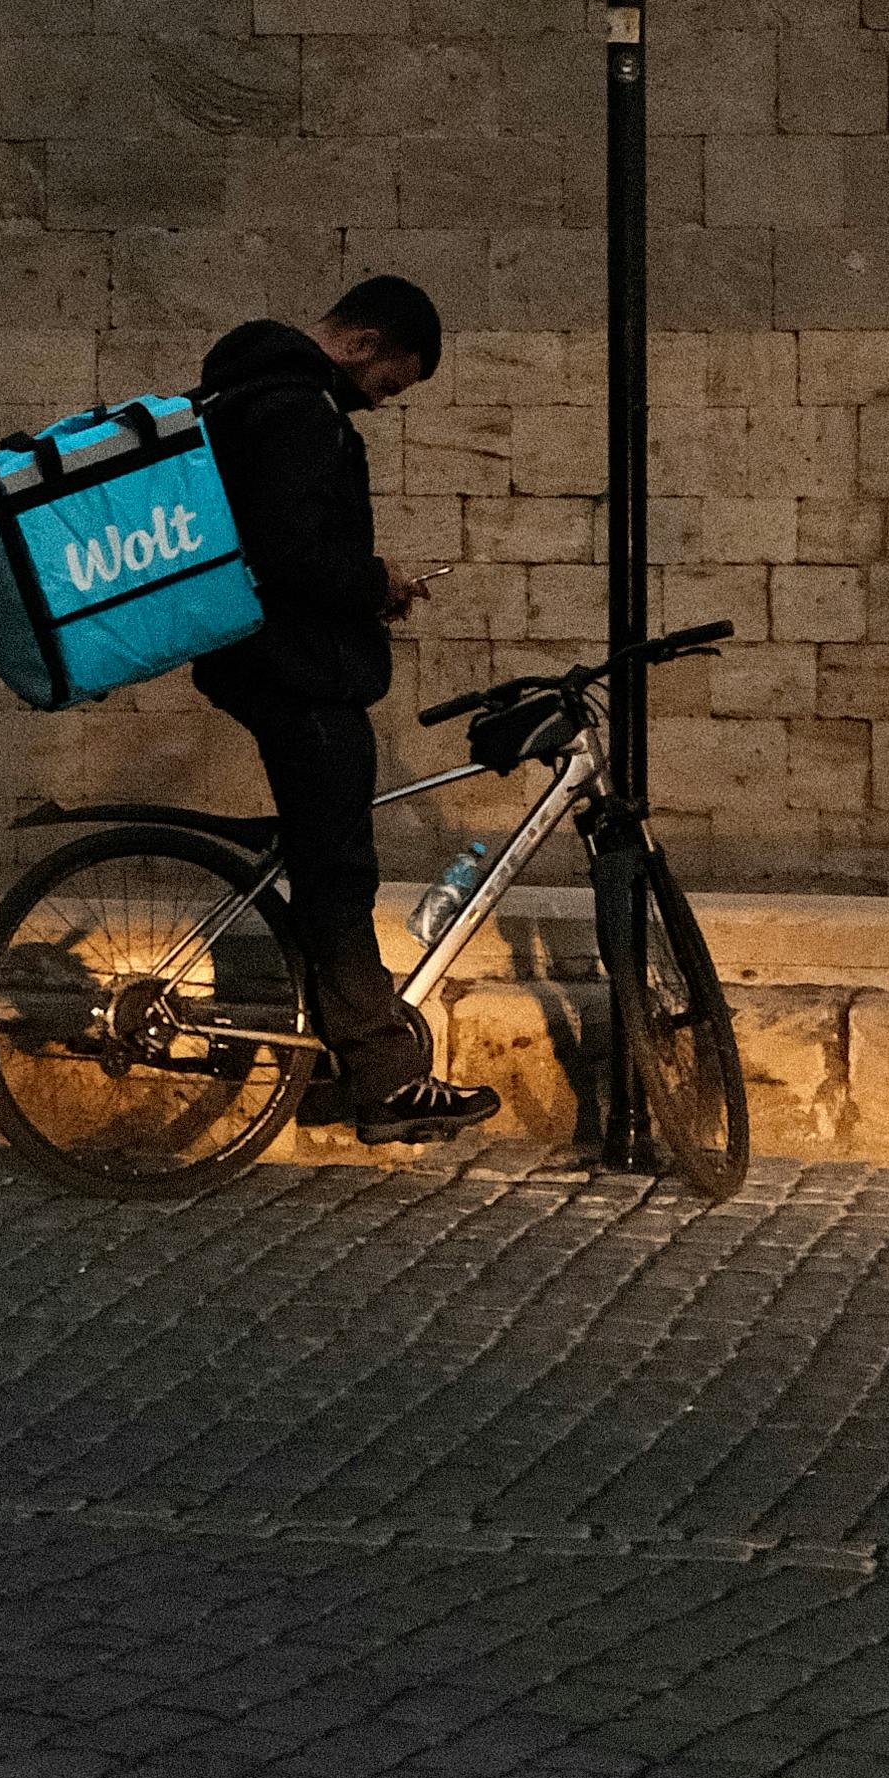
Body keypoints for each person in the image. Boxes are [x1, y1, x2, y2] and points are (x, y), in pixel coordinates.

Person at [194, 276, 499, 1143]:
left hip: (259, 657)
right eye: (389, 382)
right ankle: (384, 1079)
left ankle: (335, 1070)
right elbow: (289, 552)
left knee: (325, 858)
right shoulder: (298, 409)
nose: (381, 401)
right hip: (296, 668)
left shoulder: (249, 388)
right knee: (337, 872)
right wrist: (376, 581)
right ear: (364, 343)